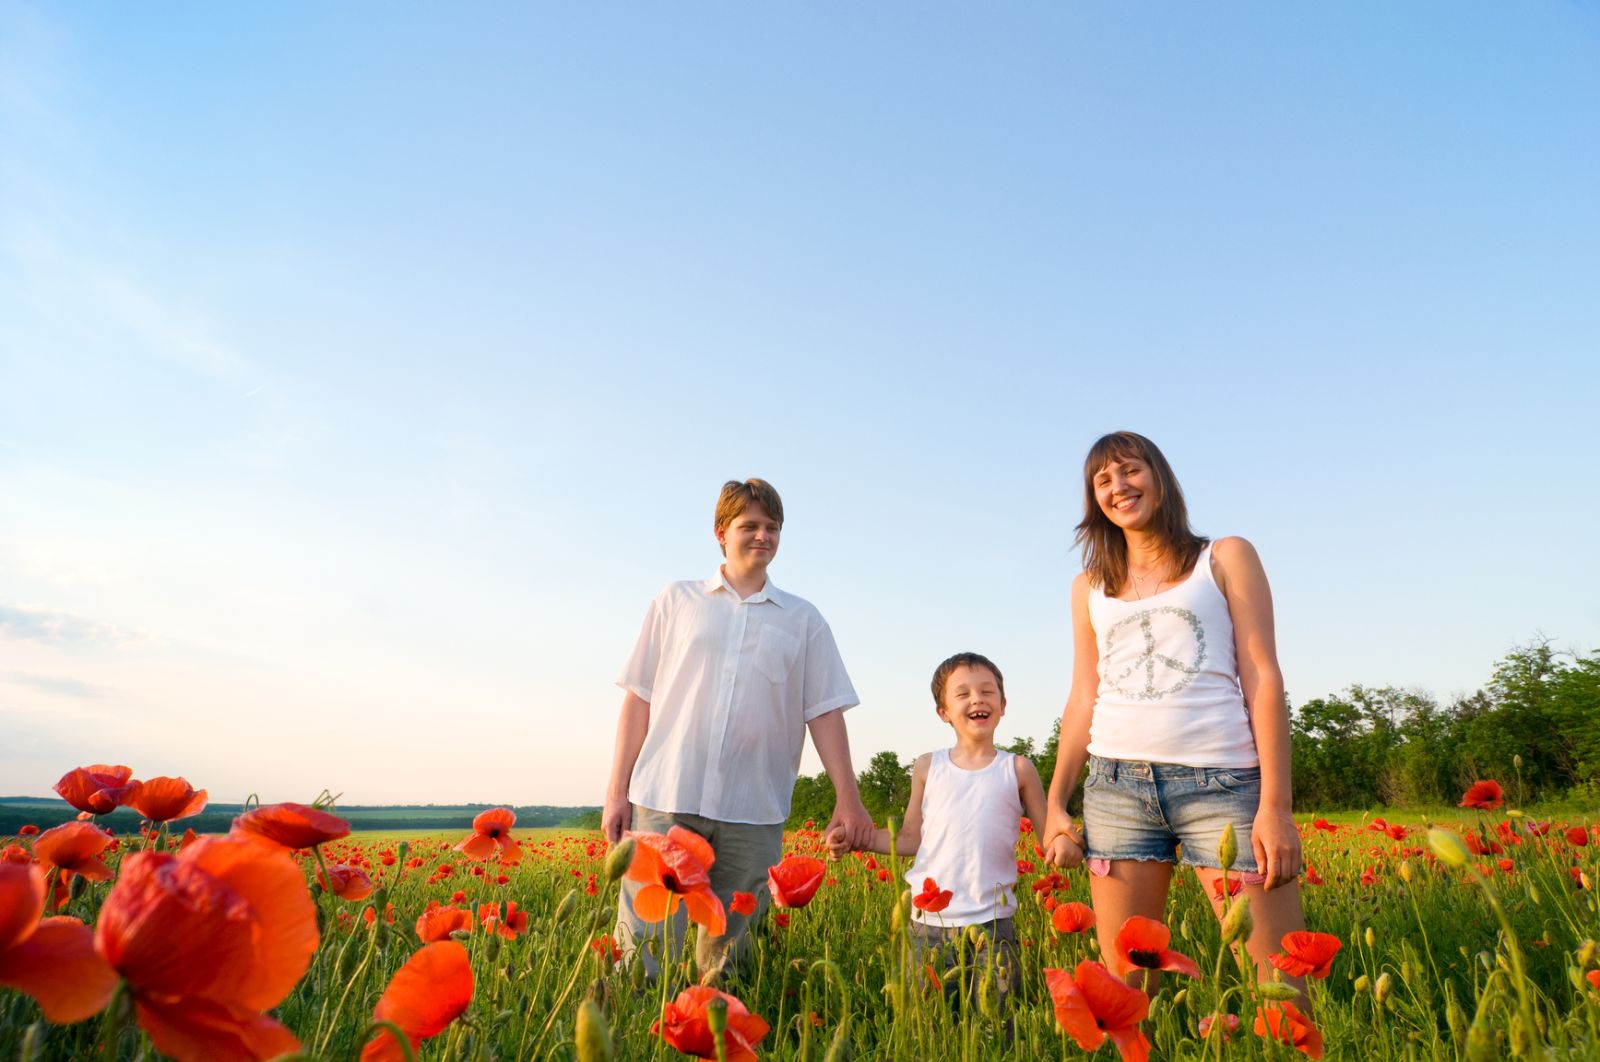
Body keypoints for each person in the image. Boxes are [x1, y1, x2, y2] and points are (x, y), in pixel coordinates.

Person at [1041, 431, 1308, 993]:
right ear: (1095, 501)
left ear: (1159, 477)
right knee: (1129, 997)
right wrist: (1054, 803)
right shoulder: (1088, 587)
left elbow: (1263, 674)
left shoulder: (1225, 557)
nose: (1119, 487)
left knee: (1280, 991)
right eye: (1103, 480)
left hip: (1225, 785)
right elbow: (1083, 695)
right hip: (1115, 790)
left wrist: (1275, 807)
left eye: (1130, 471)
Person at [604, 478, 875, 979]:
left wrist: (848, 797)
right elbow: (638, 699)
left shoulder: (803, 619)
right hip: (666, 798)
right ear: (720, 533)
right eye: (749, 526)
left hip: (754, 811)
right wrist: (616, 791)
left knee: (729, 960)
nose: (762, 537)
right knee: (643, 951)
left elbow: (825, 712)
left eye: (772, 528)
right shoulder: (676, 601)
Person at [828, 652, 1060, 1014]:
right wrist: (856, 837)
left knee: (996, 1024)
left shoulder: (1017, 769)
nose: (977, 699)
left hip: (993, 925)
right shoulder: (927, 766)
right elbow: (908, 839)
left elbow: (1049, 837)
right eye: (963, 694)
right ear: (943, 712)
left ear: (1003, 705)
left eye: (987, 692)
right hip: (928, 926)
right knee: (927, 1022)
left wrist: (1069, 844)